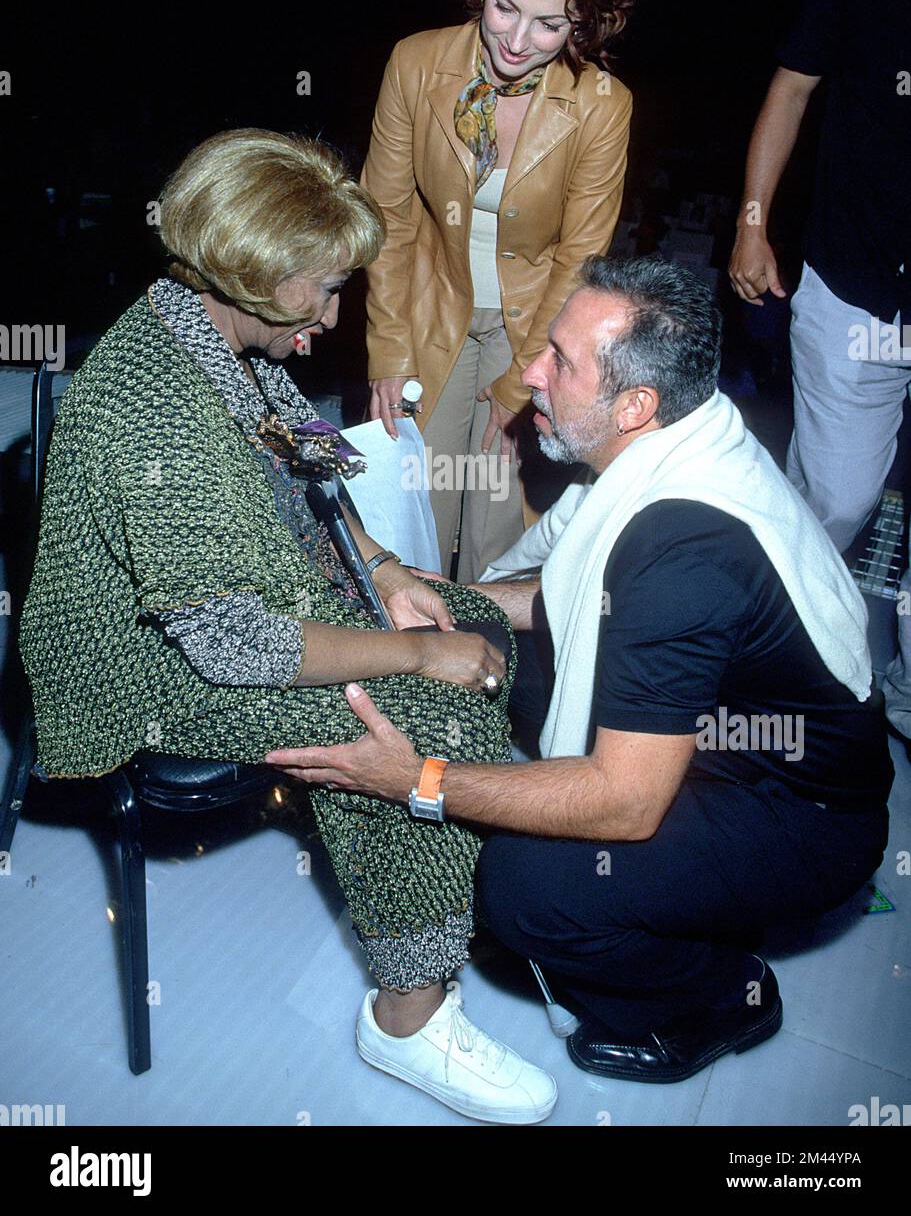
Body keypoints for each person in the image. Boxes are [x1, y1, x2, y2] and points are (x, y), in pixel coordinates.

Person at [18, 128, 558, 1125]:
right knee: (416, 727)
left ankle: (453, 893)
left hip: (239, 609)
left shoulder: (214, 328)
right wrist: (409, 649)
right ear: (259, 277)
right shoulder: (155, 415)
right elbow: (233, 645)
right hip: (148, 671)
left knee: (473, 618)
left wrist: (388, 569)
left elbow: (308, 448)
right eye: (323, 288)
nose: (336, 311)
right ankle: (404, 1018)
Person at [269, 255, 894, 1084]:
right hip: (728, 727)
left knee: (526, 886)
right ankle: (659, 899)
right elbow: (573, 594)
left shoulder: (682, 552)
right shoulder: (680, 441)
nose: (529, 372)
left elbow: (625, 803)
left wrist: (415, 779)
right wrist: (438, 595)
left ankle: (725, 995)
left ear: (632, 404)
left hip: (802, 812)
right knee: (484, 642)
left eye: (559, 361)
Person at [361, 0, 634, 581]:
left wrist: (523, 382)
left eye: (549, 25)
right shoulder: (414, 64)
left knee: (496, 532)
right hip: (430, 309)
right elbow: (387, 218)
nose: (515, 40)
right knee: (414, 519)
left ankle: (487, 674)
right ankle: (414, 674)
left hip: (536, 329)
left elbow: (580, 258)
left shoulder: (604, 105)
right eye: (503, 7)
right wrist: (387, 349)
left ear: (580, 24)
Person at [727, 0, 911, 733]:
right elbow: (791, 85)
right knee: (832, 501)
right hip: (852, 278)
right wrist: (751, 222)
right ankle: (761, 667)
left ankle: (900, 697)